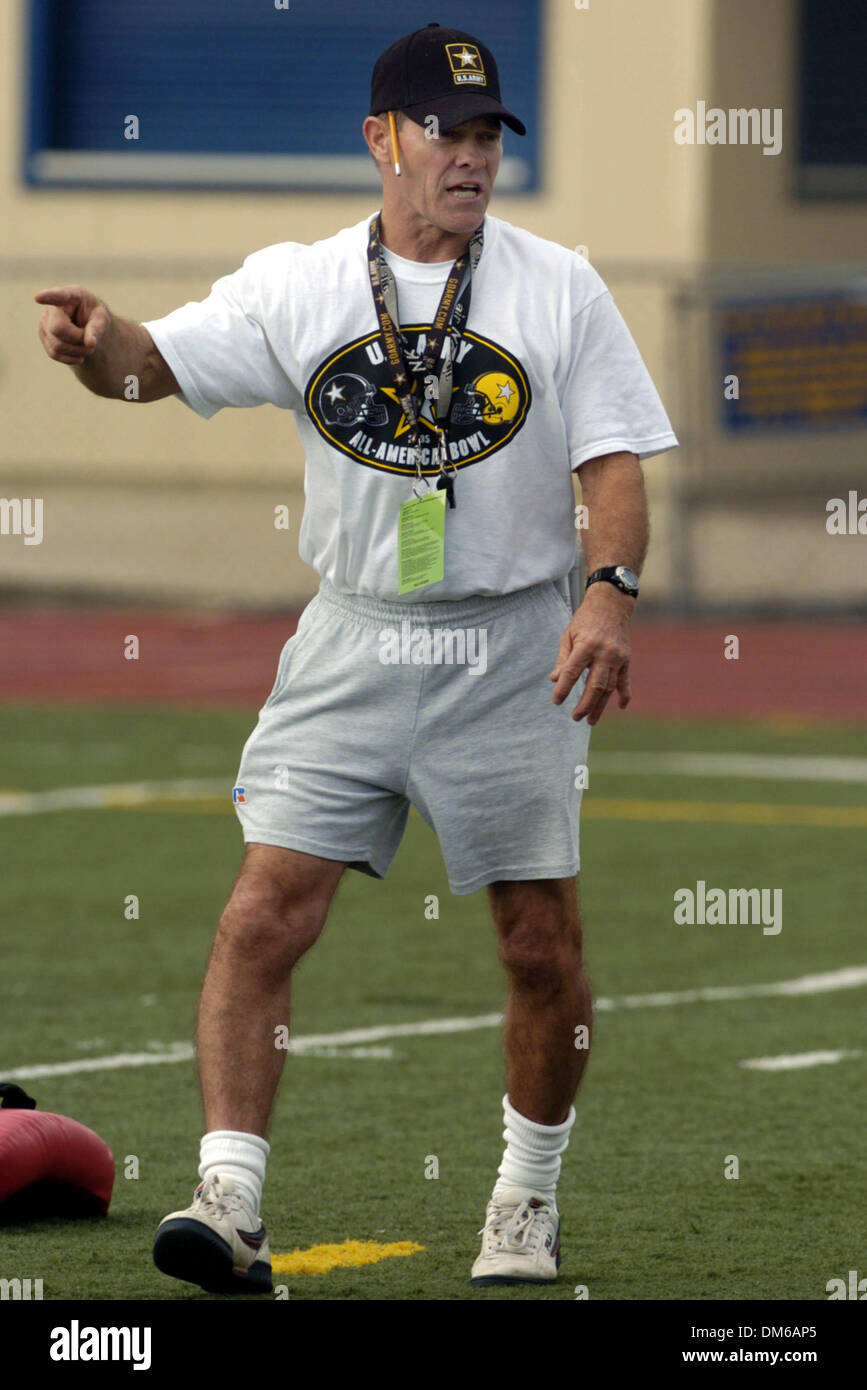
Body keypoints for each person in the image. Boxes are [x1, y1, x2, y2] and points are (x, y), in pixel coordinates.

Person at [34, 22, 678, 1293]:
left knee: (539, 943)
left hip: (510, 646)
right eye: (446, 129)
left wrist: (607, 595)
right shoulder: (301, 281)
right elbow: (154, 367)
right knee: (261, 911)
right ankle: (230, 1200)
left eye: (490, 133)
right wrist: (101, 344)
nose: (472, 155)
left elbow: (613, 463)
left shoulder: (560, 287)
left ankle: (524, 1200)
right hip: (353, 634)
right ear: (380, 138)